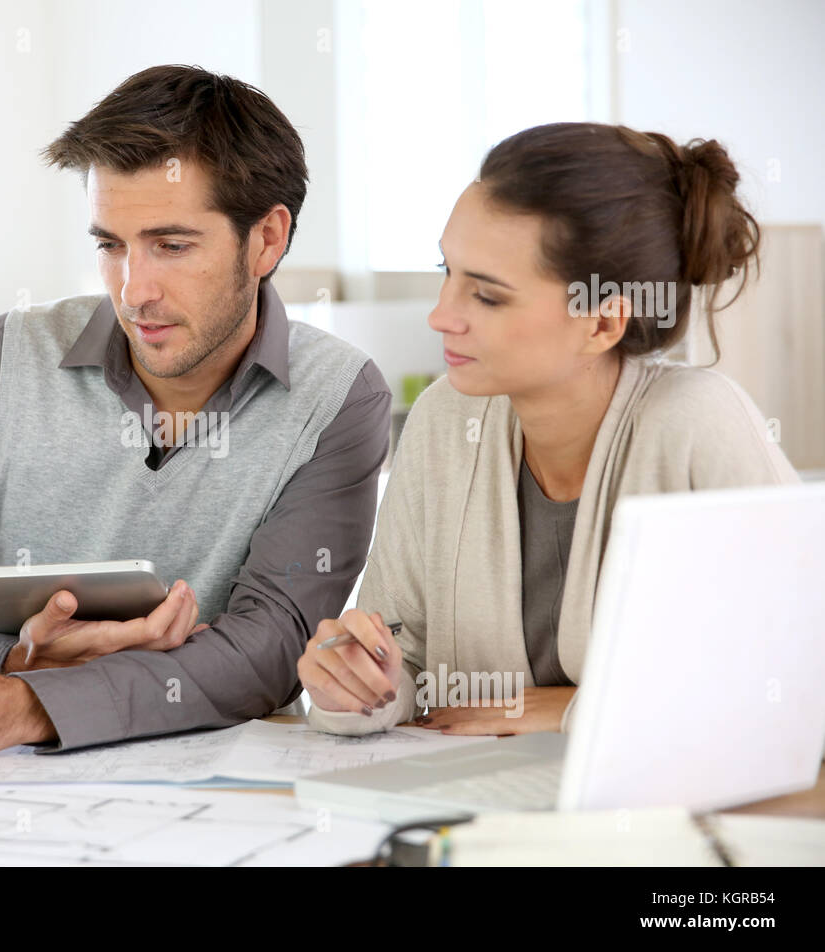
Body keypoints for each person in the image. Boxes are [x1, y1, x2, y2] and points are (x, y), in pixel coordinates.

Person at [0, 65, 392, 755]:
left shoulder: (339, 397)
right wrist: (9, 662)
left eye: (172, 245)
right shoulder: (2, 358)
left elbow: (269, 650)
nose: (133, 291)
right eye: (110, 246)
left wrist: (27, 705)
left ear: (267, 240)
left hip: (220, 796)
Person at [298, 122, 798, 737]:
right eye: (445, 271)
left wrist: (573, 709)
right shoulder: (442, 421)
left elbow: (795, 683)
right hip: (474, 803)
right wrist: (353, 684)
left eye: (485, 296)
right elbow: (407, 666)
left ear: (601, 322)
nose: (440, 314)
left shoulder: (699, 424)